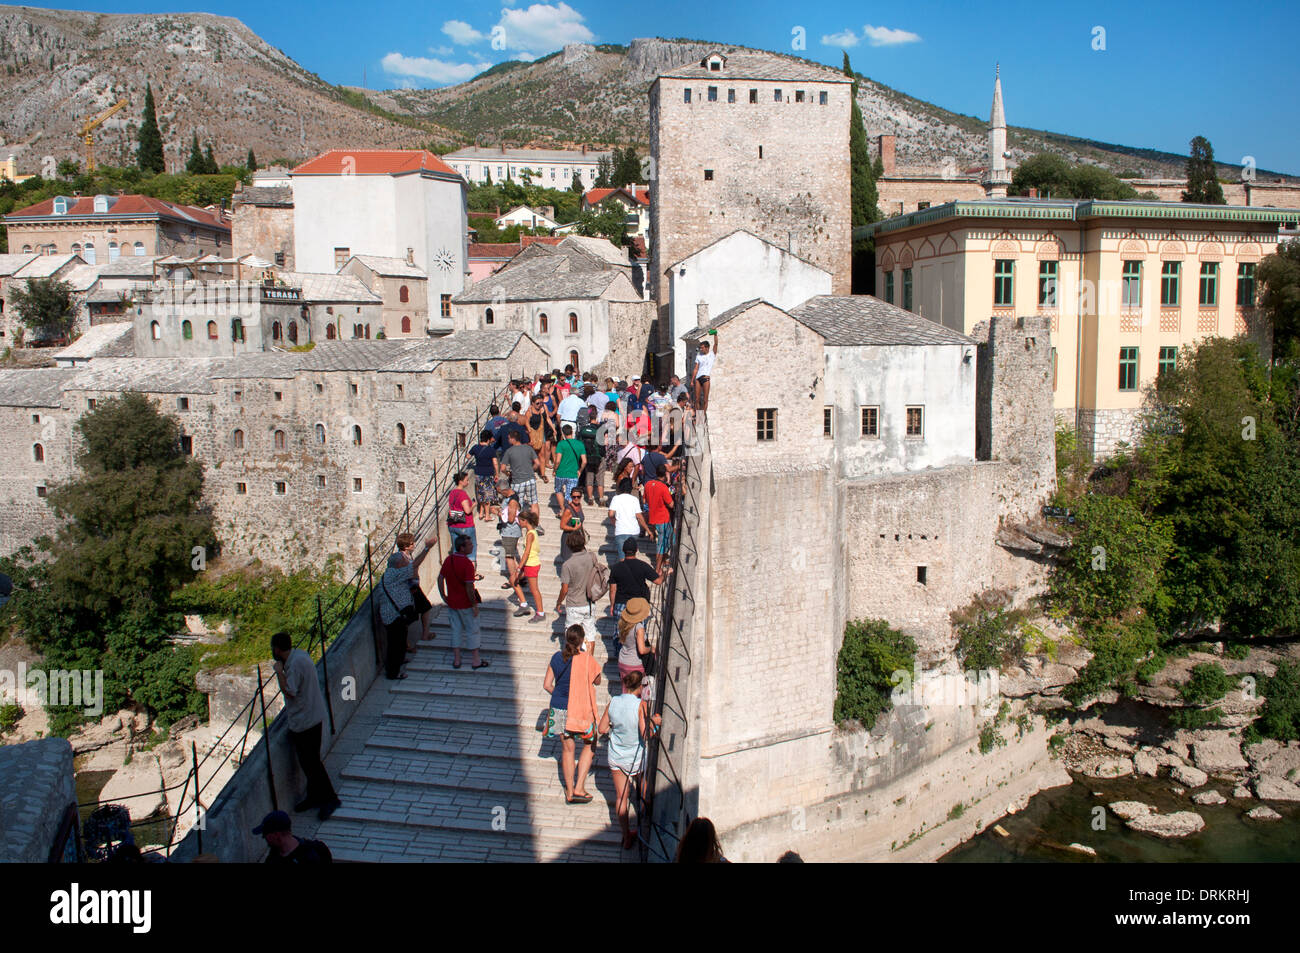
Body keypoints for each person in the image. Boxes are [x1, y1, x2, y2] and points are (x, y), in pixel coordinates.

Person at [271, 632, 341, 820]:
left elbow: (290, 691)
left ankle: (330, 799)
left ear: (277, 649)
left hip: (305, 720)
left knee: (312, 764)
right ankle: (314, 796)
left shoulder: (293, 665)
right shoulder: (301, 655)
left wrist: (279, 672)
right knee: (310, 762)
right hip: (313, 715)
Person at [598, 670, 660, 850]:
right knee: (643, 787)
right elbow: (645, 733)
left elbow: (602, 729)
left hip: (616, 755)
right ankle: (645, 819)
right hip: (635, 755)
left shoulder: (614, 702)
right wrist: (655, 722)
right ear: (640, 687)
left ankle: (626, 836)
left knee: (621, 797)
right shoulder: (641, 706)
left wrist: (616, 728)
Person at [542, 625, 602, 804]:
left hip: (559, 707)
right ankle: (579, 787)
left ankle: (569, 791)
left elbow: (547, 685)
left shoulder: (556, 657)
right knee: (590, 742)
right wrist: (590, 656)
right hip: (580, 708)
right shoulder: (586, 659)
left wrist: (560, 696)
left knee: (567, 750)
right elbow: (597, 681)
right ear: (582, 640)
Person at [377, 532, 438, 680]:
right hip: (394, 616)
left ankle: (398, 662)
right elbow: (415, 565)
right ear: (397, 564)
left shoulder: (390, 574)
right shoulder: (395, 574)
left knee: (397, 642)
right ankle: (393, 673)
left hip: (394, 615)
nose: (405, 566)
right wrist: (426, 548)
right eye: (402, 564)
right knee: (395, 644)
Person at [438, 533, 487, 669]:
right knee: (472, 629)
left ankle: (457, 660)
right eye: (469, 545)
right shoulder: (467, 564)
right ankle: (476, 660)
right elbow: (469, 587)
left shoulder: (449, 560)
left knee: (456, 630)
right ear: (462, 548)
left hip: (452, 602)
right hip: (465, 603)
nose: (472, 546)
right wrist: (474, 605)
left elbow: (440, 578)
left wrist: (443, 595)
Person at [607, 537, 671, 618]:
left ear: (623, 550)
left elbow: (613, 590)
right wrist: (666, 573)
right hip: (638, 604)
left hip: (621, 604)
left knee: (621, 630)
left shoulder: (616, 568)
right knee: (638, 628)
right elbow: (658, 581)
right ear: (636, 550)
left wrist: (613, 605)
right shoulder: (643, 565)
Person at [556, 530, 600, 650]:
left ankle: (573, 661)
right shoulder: (591, 557)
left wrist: (559, 602)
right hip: (589, 602)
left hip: (574, 604)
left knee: (572, 637)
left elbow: (564, 589)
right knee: (590, 635)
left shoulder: (567, 564)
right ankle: (588, 663)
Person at [252, 811, 332, 864]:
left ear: (277, 835)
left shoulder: (314, 853)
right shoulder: (274, 854)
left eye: (267, 836)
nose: (265, 839)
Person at [502, 429, 543, 531]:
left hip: (517, 481)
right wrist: (531, 470)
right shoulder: (528, 448)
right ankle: (535, 525)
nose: (508, 440)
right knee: (533, 502)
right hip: (530, 479)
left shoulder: (509, 451)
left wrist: (508, 473)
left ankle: (517, 525)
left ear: (512, 439)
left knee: (516, 503)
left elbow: (502, 468)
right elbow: (537, 463)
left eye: (509, 438)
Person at [511, 510, 545, 622]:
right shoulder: (531, 532)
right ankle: (524, 604)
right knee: (513, 580)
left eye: (520, 520)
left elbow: (527, 552)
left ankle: (540, 613)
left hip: (531, 564)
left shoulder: (530, 534)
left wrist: (519, 567)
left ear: (525, 521)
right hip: (529, 564)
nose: (518, 523)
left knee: (534, 589)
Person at [643, 465, 675, 575]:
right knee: (661, 545)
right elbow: (671, 504)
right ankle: (658, 569)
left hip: (653, 517)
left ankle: (665, 561)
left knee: (669, 540)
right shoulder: (663, 487)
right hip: (663, 519)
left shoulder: (647, 484)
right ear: (665, 475)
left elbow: (645, 500)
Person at [608, 477, 650, 560]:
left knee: (622, 557)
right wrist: (648, 530)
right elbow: (639, 516)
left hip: (621, 531)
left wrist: (614, 522)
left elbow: (611, 514)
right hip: (633, 531)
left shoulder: (616, 498)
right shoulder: (634, 499)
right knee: (631, 557)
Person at [447, 470, 480, 572]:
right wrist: (474, 504)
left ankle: (457, 572)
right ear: (461, 481)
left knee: (456, 551)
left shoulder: (452, 493)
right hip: (465, 526)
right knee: (471, 551)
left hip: (453, 524)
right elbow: (467, 510)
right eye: (466, 480)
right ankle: (471, 574)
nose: (468, 482)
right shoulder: (462, 494)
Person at [552, 422, 587, 514]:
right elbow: (584, 461)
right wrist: (580, 470)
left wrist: (554, 470)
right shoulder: (580, 444)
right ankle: (571, 512)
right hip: (573, 474)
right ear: (572, 432)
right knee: (570, 494)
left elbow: (558, 460)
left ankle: (562, 509)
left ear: (563, 433)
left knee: (558, 490)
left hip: (561, 473)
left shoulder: (561, 444)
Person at [616, 597, 655, 679]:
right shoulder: (638, 627)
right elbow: (642, 650)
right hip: (634, 664)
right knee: (637, 690)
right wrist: (651, 649)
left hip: (622, 661)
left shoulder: (622, 623)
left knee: (625, 690)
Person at [495, 478, 523, 590]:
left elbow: (510, 519)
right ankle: (519, 576)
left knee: (509, 556)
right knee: (511, 554)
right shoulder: (512, 497)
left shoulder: (512, 502)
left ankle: (513, 579)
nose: (499, 494)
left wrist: (498, 513)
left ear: (504, 490)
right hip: (511, 531)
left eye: (500, 492)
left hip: (510, 532)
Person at [468, 429, 499, 519]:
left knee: (481, 493)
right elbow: (495, 463)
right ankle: (487, 516)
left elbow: (468, 456)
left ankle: (481, 513)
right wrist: (496, 474)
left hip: (478, 473)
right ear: (488, 439)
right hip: (488, 474)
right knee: (487, 494)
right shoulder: (491, 450)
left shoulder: (475, 447)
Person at [577, 409, 606, 505]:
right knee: (600, 478)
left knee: (589, 477)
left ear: (589, 419)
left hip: (587, 457)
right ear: (596, 418)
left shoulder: (584, 429)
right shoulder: (600, 429)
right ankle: (601, 499)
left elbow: (579, 442)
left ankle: (590, 498)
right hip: (598, 457)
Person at [690, 337, 716, 413]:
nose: (701, 349)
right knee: (697, 399)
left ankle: (703, 414)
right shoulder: (699, 356)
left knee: (705, 399)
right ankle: (699, 414)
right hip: (698, 378)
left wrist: (715, 334)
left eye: (702, 348)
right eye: (700, 348)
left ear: (707, 348)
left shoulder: (712, 354)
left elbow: (716, 344)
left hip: (706, 378)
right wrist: (692, 380)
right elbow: (695, 369)